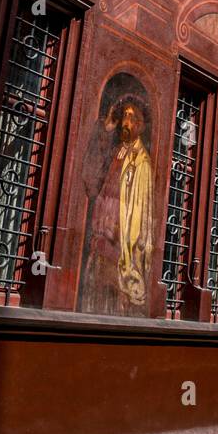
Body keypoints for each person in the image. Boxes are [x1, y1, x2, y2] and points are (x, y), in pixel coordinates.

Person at [83, 97, 154, 315]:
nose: (126, 122)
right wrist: (105, 131)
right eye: (125, 116)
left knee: (110, 304)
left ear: (140, 125)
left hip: (119, 249)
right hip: (100, 242)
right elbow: (91, 181)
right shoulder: (116, 152)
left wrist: (127, 252)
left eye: (133, 118)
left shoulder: (141, 163)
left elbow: (140, 217)